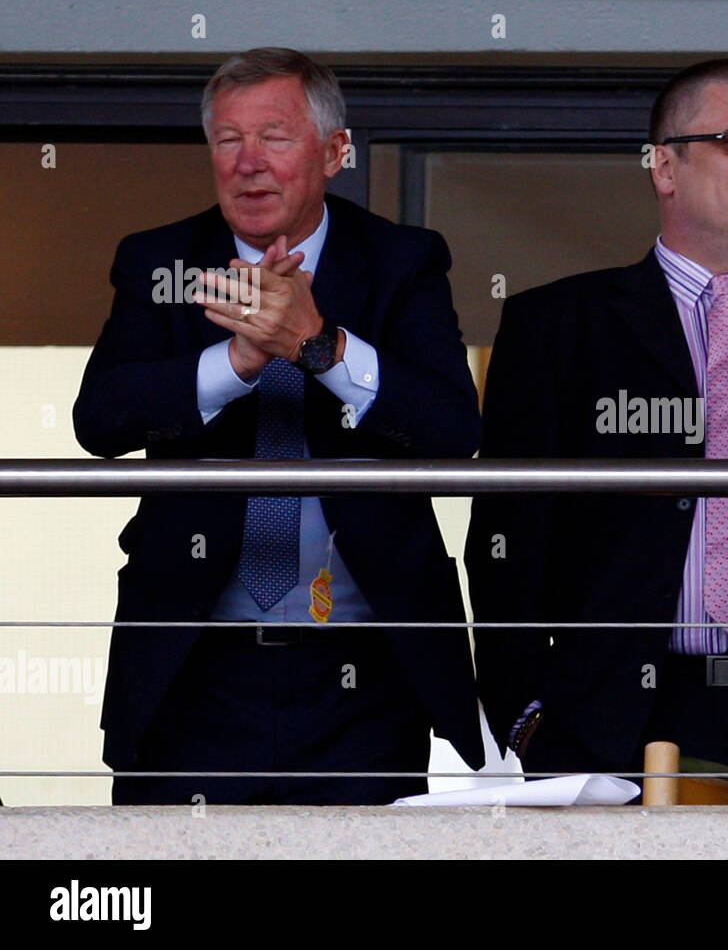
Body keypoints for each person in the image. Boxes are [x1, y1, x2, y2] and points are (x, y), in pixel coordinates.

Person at [73, 47, 484, 804]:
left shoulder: (402, 260)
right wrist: (233, 361)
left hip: (363, 676)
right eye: (229, 141)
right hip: (194, 667)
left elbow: (452, 426)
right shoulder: (159, 260)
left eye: (275, 136)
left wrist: (315, 345)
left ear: (334, 151)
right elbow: (98, 418)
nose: (248, 163)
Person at [466, 59, 728, 803]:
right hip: (619, 716)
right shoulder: (555, 326)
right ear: (665, 167)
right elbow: (504, 548)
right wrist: (527, 720)